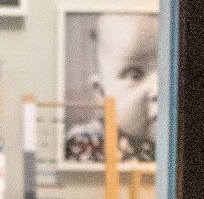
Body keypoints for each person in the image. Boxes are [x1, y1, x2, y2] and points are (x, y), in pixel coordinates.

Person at [63, 12, 159, 164]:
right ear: (101, 93)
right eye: (134, 75)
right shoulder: (87, 141)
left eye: (167, 73)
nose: (157, 90)